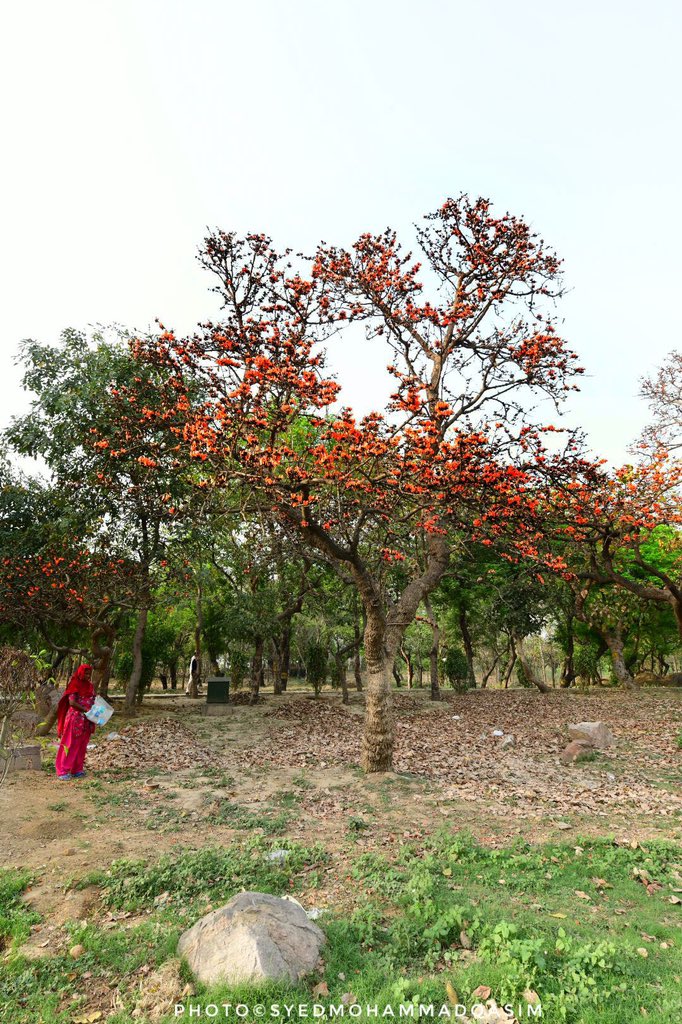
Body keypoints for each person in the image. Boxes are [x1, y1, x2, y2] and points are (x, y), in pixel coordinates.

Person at [55, 664, 96, 780]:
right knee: (70, 743)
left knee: (82, 744)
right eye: (86, 673)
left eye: (89, 674)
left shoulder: (90, 686)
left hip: (87, 719)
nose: (88, 676)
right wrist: (85, 710)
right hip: (75, 718)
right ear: (80, 673)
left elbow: (93, 699)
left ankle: (77, 769)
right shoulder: (74, 684)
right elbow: (72, 702)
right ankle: (62, 770)